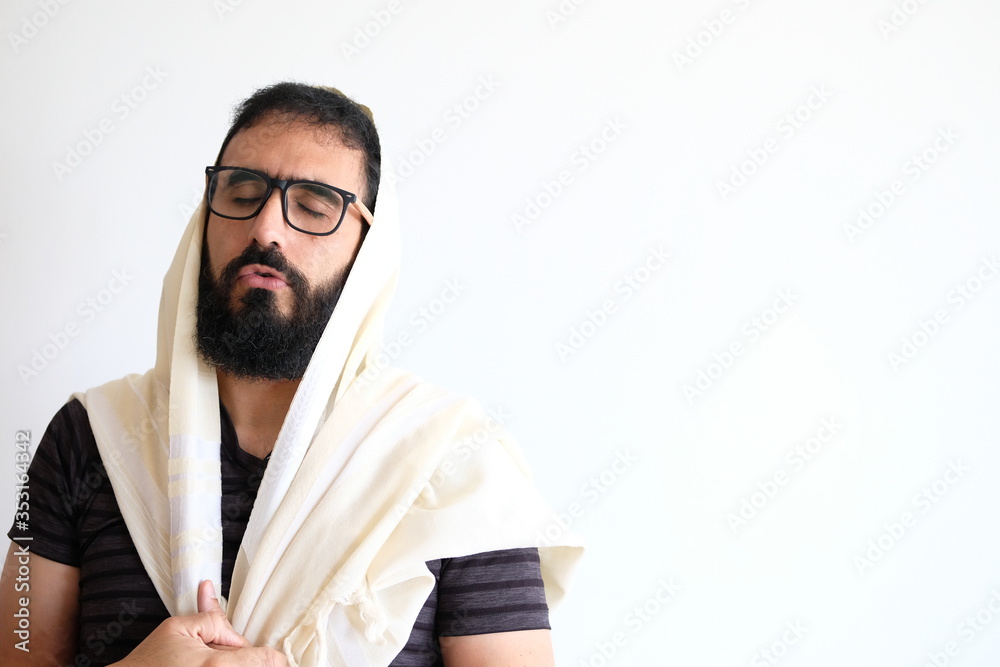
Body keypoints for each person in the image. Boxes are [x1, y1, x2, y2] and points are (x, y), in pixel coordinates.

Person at [0, 83, 581, 666]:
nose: (266, 230)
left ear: (367, 250)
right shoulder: (85, 436)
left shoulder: (455, 461)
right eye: (243, 191)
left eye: (314, 205)